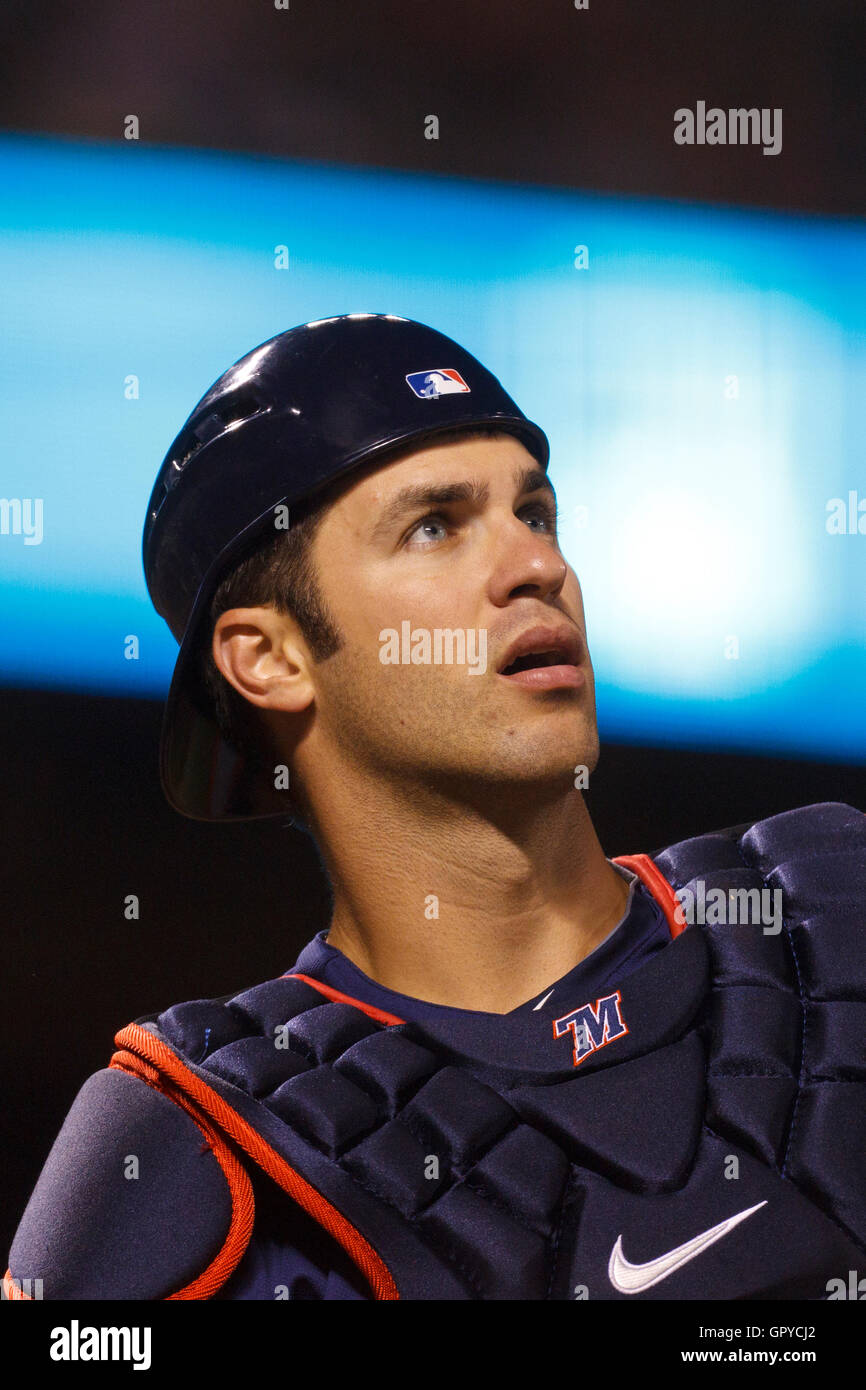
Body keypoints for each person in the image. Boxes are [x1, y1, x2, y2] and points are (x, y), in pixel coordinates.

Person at [6, 314, 866, 1301]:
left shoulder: (833, 905)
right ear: (269, 658)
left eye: (534, 513)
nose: (534, 567)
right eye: (433, 526)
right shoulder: (197, 1142)